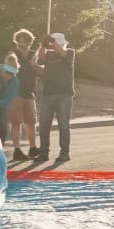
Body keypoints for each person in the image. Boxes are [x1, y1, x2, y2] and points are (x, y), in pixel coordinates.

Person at [36, 33, 76, 167]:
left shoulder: (69, 52)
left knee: (63, 124)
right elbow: (40, 60)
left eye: (55, 42)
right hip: (48, 93)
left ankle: (64, 153)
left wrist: (53, 43)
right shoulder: (48, 55)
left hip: (64, 94)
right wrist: (42, 46)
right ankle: (43, 152)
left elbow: (63, 53)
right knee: (43, 124)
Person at [6, 29, 41, 165]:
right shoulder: (12, 54)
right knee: (16, 122)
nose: (23, 43)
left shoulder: (34, 55)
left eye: (26, 40)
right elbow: (7, 72)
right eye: (20, 40)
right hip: (15, 93)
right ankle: (17, 150)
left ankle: (32, 148)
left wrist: (36, 66)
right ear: (16, 41)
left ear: (30, 42)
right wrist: (14, 67)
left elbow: (42, 71)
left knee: (31, 122)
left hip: (29, 93)